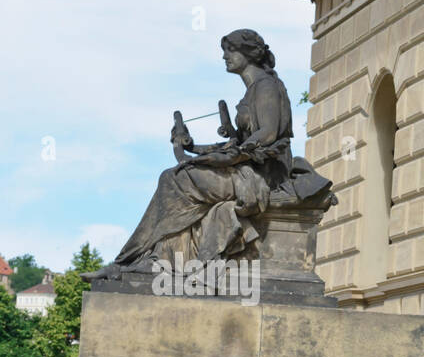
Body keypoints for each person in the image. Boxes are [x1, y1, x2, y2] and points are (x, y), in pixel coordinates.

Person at [87, 29, 332, 280]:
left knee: (177, 179)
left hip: (262, 177)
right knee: (177, 176)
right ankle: (154, 257)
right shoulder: (254, 88)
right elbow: (242, 143)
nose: (225, 57)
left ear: (248, 53)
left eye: (230, 51)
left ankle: (145, 260)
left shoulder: (267, 86)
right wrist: (192, 147)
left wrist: (231, 154)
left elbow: (268, 134)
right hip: (247, 168)